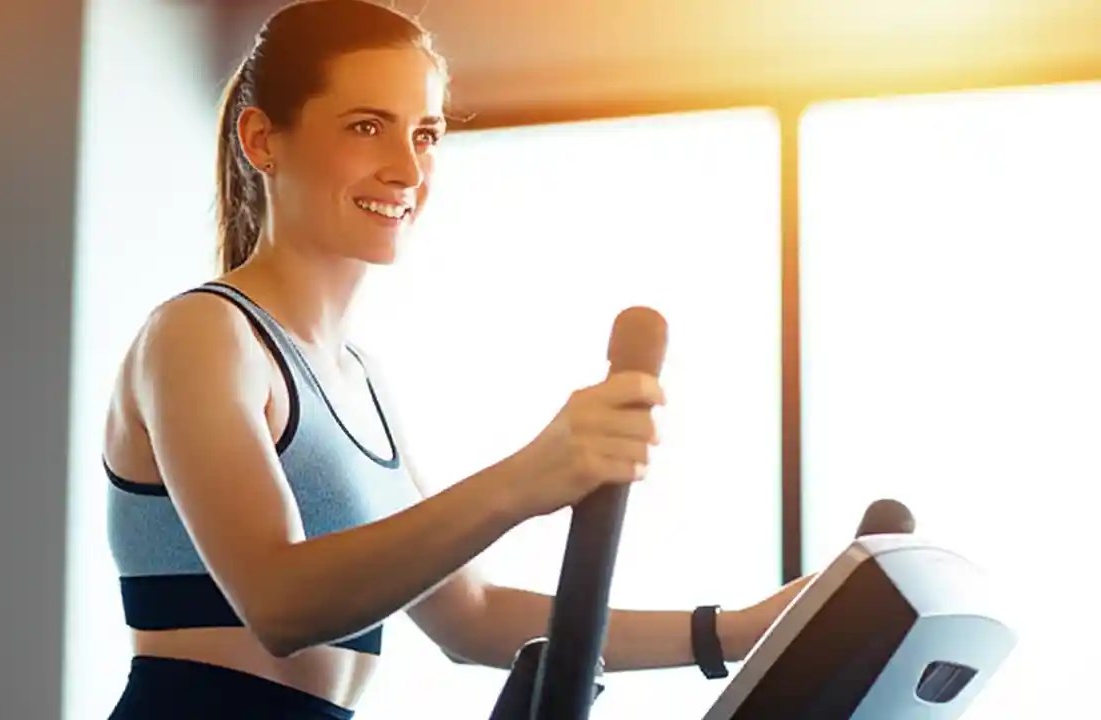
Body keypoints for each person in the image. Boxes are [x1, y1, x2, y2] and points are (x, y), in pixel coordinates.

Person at [102, 1, 809, 717]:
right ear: (261, 139)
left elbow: (471, 617)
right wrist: (525, 479)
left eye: (427, 133)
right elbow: (282, 605)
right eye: (367, 127)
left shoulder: (358, 381)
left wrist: (735, 630)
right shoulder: (201, 334)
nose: (407, 167)